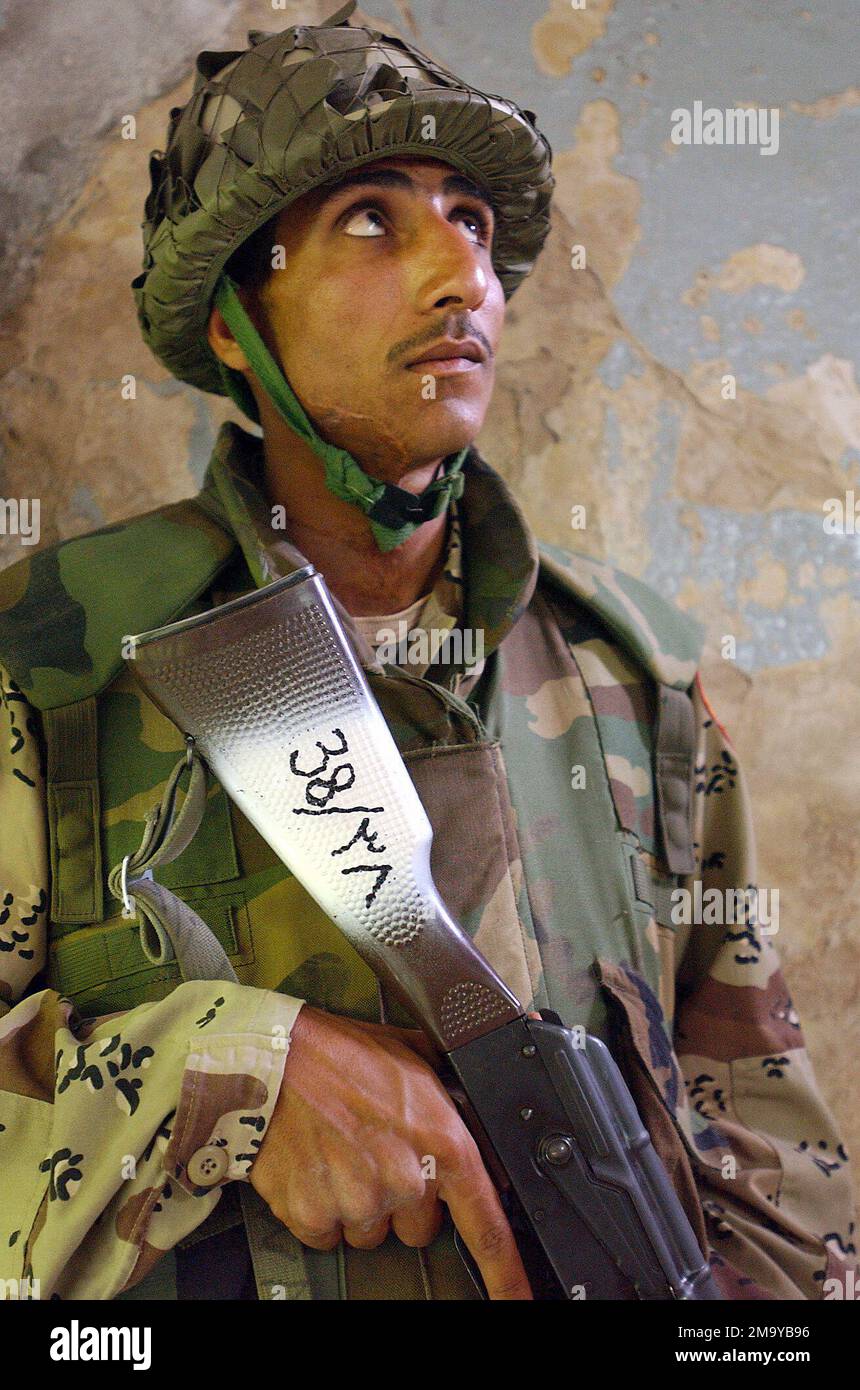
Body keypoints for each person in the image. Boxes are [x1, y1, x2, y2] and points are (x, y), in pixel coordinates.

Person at [0, 2, 855, 1301]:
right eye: (370, 221)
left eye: (473, 223)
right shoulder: (53, 663)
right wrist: (228, 1073)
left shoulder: (633, 674)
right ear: (235, 322)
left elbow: (768, 1150)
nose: (461, 275)